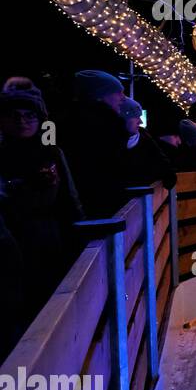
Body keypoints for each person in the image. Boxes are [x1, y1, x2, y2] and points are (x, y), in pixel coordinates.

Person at [0, 82, 83, 352]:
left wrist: (79, 236)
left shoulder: (51, 154)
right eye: (14, 115)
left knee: (49, 311)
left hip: (49, 242)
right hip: (11, 247)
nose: (22, 121)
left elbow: (69, 200)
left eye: (28, 115)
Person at [62, 69, 129, 218]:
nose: (123, 98)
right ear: (99, 95)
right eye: (118, 92)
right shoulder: (100, 125)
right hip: (99, 208)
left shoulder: (79, 119)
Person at [118, 98, 177, 190]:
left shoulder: (145, 137)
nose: (140, 122)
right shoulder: (108, 143)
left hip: (144, 199)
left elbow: (163, 163)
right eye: (136, 116)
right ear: (123, 117)